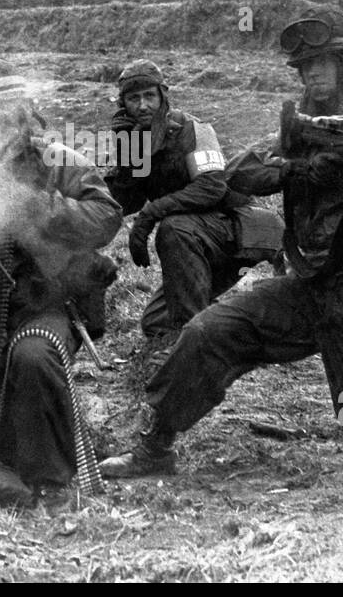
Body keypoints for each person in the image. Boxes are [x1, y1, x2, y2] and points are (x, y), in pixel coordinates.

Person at [101, 5, 343, 476]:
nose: (311, 75)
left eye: (322, 63)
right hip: (308, 287)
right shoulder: (301, 128)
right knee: (206, 334)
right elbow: (236, 172)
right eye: (305, 67)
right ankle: (156, 446)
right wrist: (296, 167)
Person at [0, 63, 122, 508]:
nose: (6, 125)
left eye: (13, 112)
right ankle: (4, 456)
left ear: (31, 112)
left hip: (45, 306)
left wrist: (27, 204)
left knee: (33, 358)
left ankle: (51, 482)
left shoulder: (62, 163)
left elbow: (106, 218)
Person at [105, 59, 283, 369]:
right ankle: (220, 327)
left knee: (174, 227)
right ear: (124, 104)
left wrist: (149, 216)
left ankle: (191, 346)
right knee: (155, 321)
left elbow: (212, 187)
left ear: (163, 95)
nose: (143, 105)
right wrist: (126, 162)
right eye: (134, 99)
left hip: (238, 233)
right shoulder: (136, 140)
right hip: (198, 247)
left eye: (150, 96)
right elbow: (127, 202)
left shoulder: (192, 129)